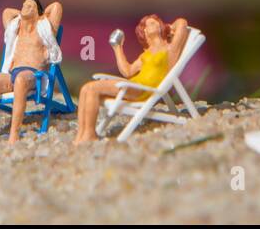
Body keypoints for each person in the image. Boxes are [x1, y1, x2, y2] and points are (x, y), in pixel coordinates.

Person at [74, 14, 188, 144]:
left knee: (92, 89)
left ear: (160, 27)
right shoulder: (146, 54)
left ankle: (89, 135)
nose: (149, 26)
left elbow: (182, 23)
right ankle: (81, 135)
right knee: (86, 89)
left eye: (153, 23)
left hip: (142, 90)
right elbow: (127, 71)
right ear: (144, 32)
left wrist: (170, 27)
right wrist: (118, 48)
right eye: (147, 25)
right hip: (133, 84)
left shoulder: (170, 49)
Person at [0, 0, 63, 147]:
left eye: (30, 6)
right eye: (23, 4)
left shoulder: (44, 28)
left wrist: (39, 16)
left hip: (33, 75)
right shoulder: (15, 28)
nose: (25, 7)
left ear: (39, 12)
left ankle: (14, 133)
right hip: (12, 73)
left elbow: (56, 7)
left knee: (21, 81)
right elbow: (6, 12)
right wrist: (24, 14)